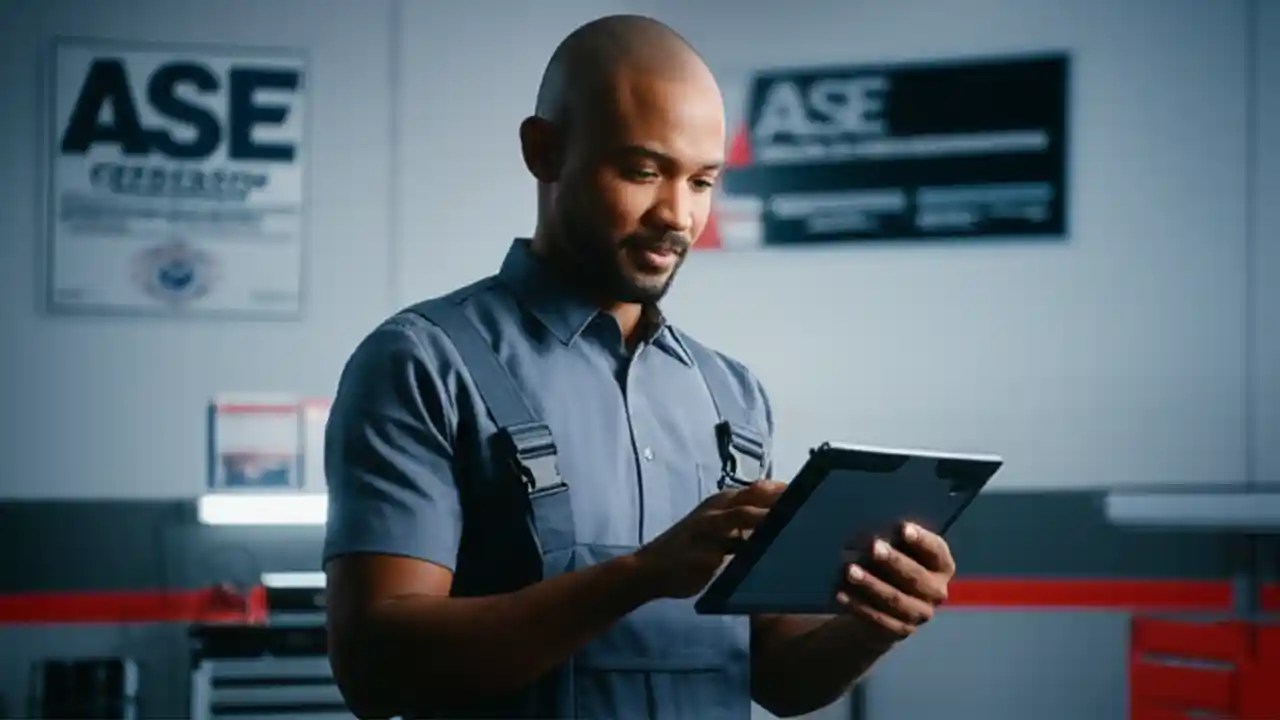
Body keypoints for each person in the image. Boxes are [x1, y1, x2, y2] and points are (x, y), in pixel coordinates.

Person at [322, 14, 957, 720]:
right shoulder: (422, 363)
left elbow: (775, 675)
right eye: (643, 172)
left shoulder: (733, 398)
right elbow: (375, 670)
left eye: (702, 181)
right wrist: (640, 575)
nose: (678, 216)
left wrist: (874, 624)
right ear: (543, 151)